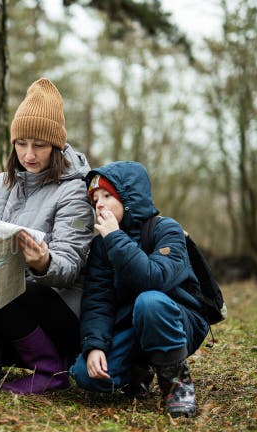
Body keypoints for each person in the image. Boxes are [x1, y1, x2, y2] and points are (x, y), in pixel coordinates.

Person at [0, 78, 94, 394]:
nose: (28, 155)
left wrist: (44, 262)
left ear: (56, 147)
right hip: (12, 300)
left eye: (39, 146)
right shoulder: (3, 184)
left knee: (8, 291)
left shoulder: (75, 190)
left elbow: (70, 263)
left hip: (59, 305)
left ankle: (49, 370)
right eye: (21, 144)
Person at [70, 161, 209, 417]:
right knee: (86, 376)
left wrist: (115, 238)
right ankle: (138, 368)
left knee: (150, 302)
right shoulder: (101, 246)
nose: (98, 204)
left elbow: (154, 279)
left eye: (107, 196)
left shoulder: (166, 230)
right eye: (95, 198)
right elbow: (98, 301)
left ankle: (177, 386)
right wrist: (94, 347)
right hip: (131, 326)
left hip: (177, 320)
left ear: (129, 199)